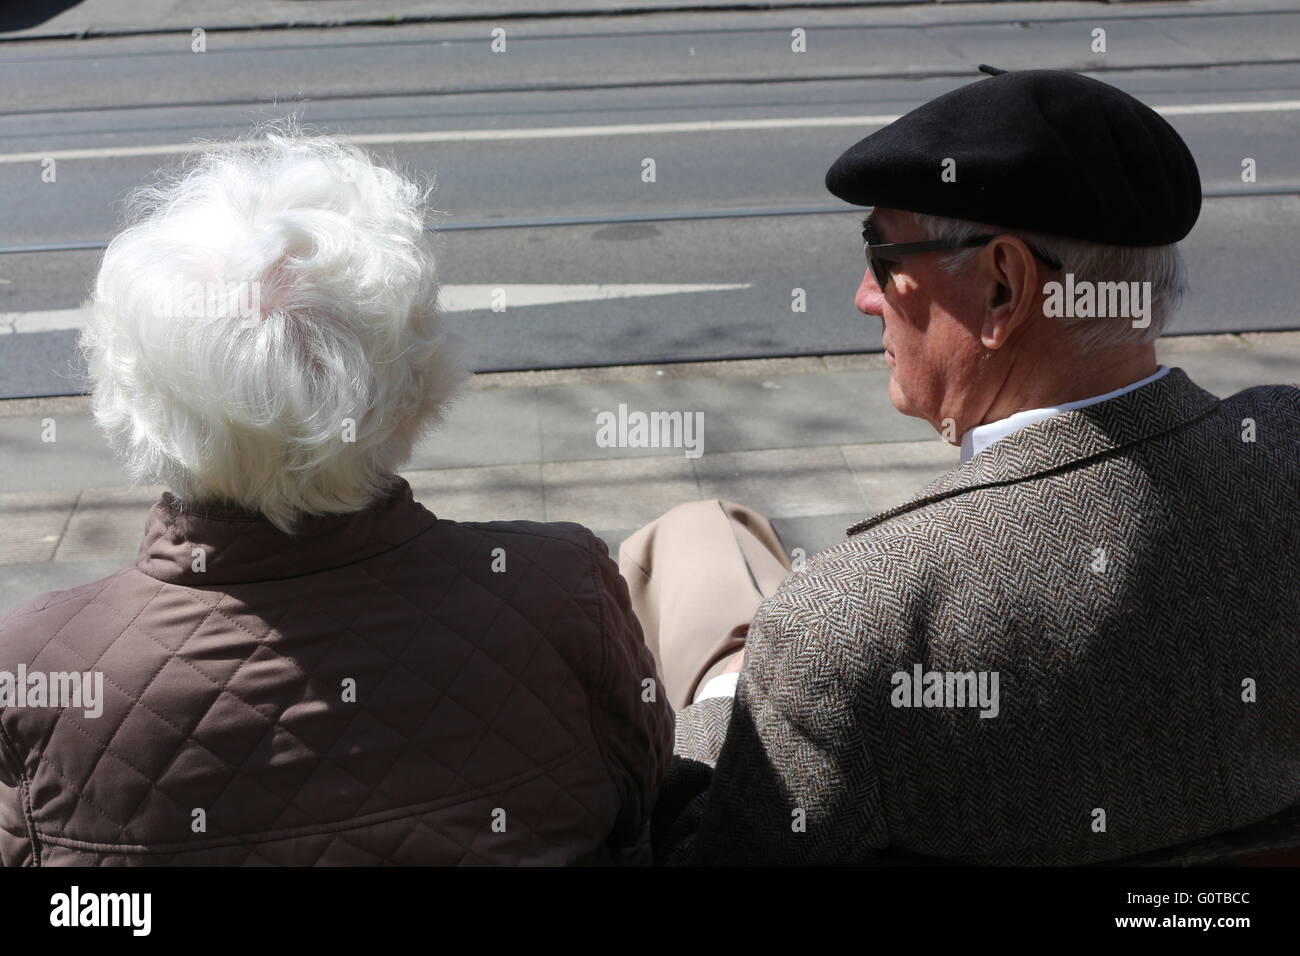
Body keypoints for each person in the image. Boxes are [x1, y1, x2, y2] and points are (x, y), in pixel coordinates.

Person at [631, 68, 1300, 865]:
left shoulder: (847, 628)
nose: (863, 297)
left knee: (691, 546)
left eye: (881, 253)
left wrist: (726, 698)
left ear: (1002, 288)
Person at [0, 127, 671, 866]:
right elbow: (641, 800)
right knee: (694, 546)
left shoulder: (39, 668)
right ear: (418, 385)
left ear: (133, 403)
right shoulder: (560, 584)